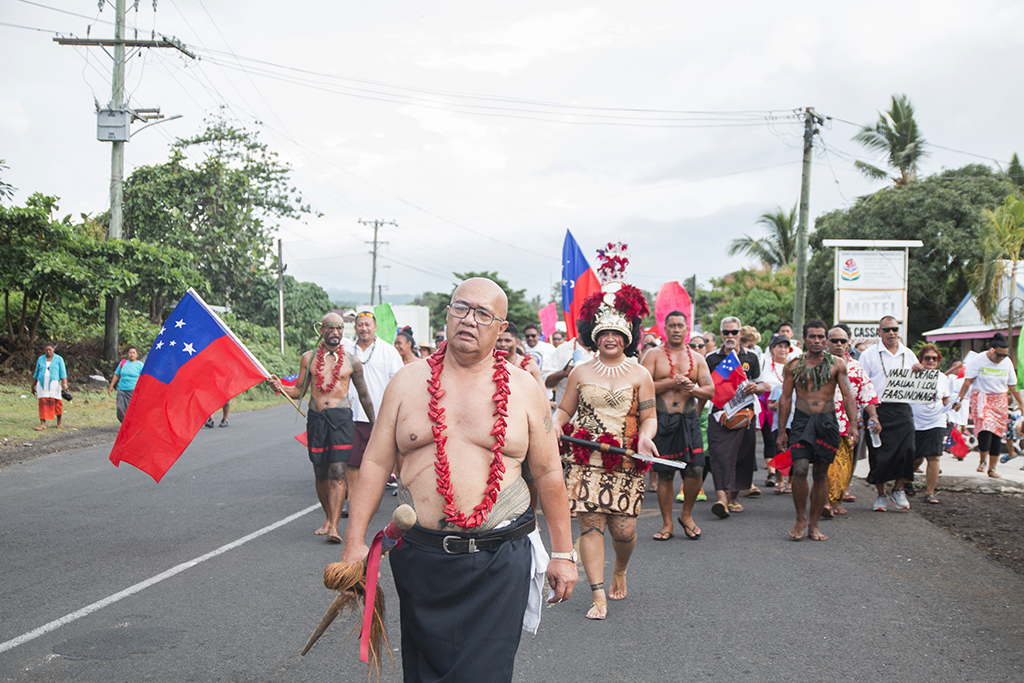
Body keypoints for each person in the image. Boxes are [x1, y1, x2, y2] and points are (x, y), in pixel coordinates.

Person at [340, 278, 577, 682]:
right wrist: (354, 543)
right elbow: (376, 463)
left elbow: (549, 472)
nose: (469, 320)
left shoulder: (524, 389)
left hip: (499, 559)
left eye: (484, 314)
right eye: (461, 308)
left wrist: (563, 553)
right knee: (424, 674)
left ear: (501, 328)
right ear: (448, 314)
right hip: (422, 558)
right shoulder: (407, 382)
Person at [554, 277, 657, 620]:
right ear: (594, 336)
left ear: (627, 337)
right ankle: (598, 595)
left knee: (623, 530)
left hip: (626, 460)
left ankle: (620, 570)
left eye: (616, 334)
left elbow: (649, 418)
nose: (610, 339)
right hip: (586, 459)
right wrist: (555, 425)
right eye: (603, 333)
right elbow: (564, 410)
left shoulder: (641, 373)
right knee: (591, 526)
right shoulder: (581, 372)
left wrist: (645, 437)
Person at [268, 313, 375, 544]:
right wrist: (280, 387)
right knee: (320, 471)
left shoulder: (352, 361)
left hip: (341, 419)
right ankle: (328, 517)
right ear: (321, 331)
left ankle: (334, 527)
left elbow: (364, 395)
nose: (335, 333)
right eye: (330, 328)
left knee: (337, 472)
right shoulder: (308, 359)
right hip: (317, 419)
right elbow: (299, 391)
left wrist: (375, 425)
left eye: (339, 328)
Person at [776, 321, 859, 541]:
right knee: (800, 469)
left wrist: (853, 424)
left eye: (821, 337)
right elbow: (784, 399)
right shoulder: (794, 365)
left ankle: (813, 525)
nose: (817, 341)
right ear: (804, 339)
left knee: (821, 474)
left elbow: (848, 394)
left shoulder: (837, 364)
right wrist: (782, 431)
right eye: (812, 337)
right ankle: (800, 519)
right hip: (802, 422)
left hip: (827, 422)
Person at [641, 311, 713, 541]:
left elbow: (710, 391)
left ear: (686, 328)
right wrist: (672, 382)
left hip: (688, 419)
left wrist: (689, 388)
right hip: (662, 419)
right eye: (671, 325)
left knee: (695, 470)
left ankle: (687, 516)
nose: (676, 329)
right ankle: (667, 523)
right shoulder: (653, 355)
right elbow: (642, 387)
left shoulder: (697, 358)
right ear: (665, 328)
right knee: (665, 473)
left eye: (680, 325)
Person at [704, 317, 769, 518]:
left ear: (741, 334)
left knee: (742, 455)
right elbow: (707, 387)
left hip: (744, 414)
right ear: (721, 334)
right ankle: (721, 499)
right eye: (726, 332)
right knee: (719, 456)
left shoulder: (751, 357)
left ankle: (733, 497)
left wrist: (756, 388)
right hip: (719, 415)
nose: (730, 336)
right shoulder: (711, 359)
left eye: (734, 332)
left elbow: (763, 385)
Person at [858, 316, 922, 511]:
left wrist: (919, 371)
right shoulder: (869, 355)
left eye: (894, 329)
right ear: (879, 332)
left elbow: (919, 384)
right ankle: (880, 495)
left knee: (908, 450)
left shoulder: (908, 353)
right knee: (879, 453)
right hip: (876, 409)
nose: (891, 333)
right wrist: (866, 413)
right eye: (886, 330)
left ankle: (898, 489)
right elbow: (862, 384)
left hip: (902, 408)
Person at [346, 310, 404, 507]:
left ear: (375, 327)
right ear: (355, 328)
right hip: (350, 414)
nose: (364, 328)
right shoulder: (346, 349)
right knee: (352, 461)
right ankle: (351, 500)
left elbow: (399, 382)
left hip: (379, 417)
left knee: (376, 463)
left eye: (367, 325)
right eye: (360, 325)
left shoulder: (388, 351)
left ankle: (371, 502)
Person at [823, 325, 880, 516]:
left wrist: (873, 416)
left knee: (846, 465)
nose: (838, 344)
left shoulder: (856, 367)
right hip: (823, 423)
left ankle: (836, 500)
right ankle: (825, 502)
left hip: (849, 426)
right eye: (834, 341)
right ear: (826, 343)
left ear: (848, 344)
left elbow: (867, 394)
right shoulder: (818, 365)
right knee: (827, 464)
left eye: (842, 341)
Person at [952, 333, 1024, 479]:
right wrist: (959, 400)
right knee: (985, 429)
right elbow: (967, 382)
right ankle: (982, 460)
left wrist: (1022, 403)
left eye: (1005, 355)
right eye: (999, 355)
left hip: (1000, 400)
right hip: (982, 398)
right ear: (992, 350)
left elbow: (1012, 386)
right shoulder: (979, 360)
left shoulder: (1007, 362)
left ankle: (992, 468)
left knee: (997, 434)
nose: (1001, 358)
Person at [911, 344, 950, 503]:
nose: (931, 361)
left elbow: (945, 398)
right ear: (921, 360)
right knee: (915, 457)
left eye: (935, 358)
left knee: (934, 457)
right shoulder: (911, 375)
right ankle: (907, 481)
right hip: (915, 422)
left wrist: (952, 405)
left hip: (936, 421)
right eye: (928, 358)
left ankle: (930, 492)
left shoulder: (943, 378)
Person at [760, 334, 790, 487]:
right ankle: (773, 474)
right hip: (768, 405)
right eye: (779, 346)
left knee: (788, 443)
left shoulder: (792, 365)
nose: (783, 349)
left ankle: (784, 476)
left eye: (785, 346)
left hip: (789, 409)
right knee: (770, 439)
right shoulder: (764, 363)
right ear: (772, 349)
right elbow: (757, 379)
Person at [496, 321, 545, 389]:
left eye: (508, 341)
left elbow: (543, 396)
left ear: (517, 342)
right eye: (499, 340)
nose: (503, 344)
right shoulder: (488, 364)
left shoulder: (530, 365)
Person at [32, 341, 68, 431]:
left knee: (56, 402)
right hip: (42, 384)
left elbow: (63, 372)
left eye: (50, 350)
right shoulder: (40, 359)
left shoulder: (59, 359)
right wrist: (33, 385)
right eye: (46, 350)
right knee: (43, 403)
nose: (48, 352)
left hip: (54, 384)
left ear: (53, 349)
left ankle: (59, 422)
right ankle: (43, 423)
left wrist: (65, 383)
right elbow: (36, 373)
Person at [108, 345, 144, 423]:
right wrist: (111, 386)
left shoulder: (140, 365)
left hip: (133, 391)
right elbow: (116, 375)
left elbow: (144, 378)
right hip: (122, 390)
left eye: (133, 353)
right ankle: (126, 424)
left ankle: (131, 425)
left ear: (137, 354)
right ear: (128, 354)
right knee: (120, 410)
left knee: (132, 410)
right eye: (130, 353)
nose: (132, 354)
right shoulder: (123, 363)